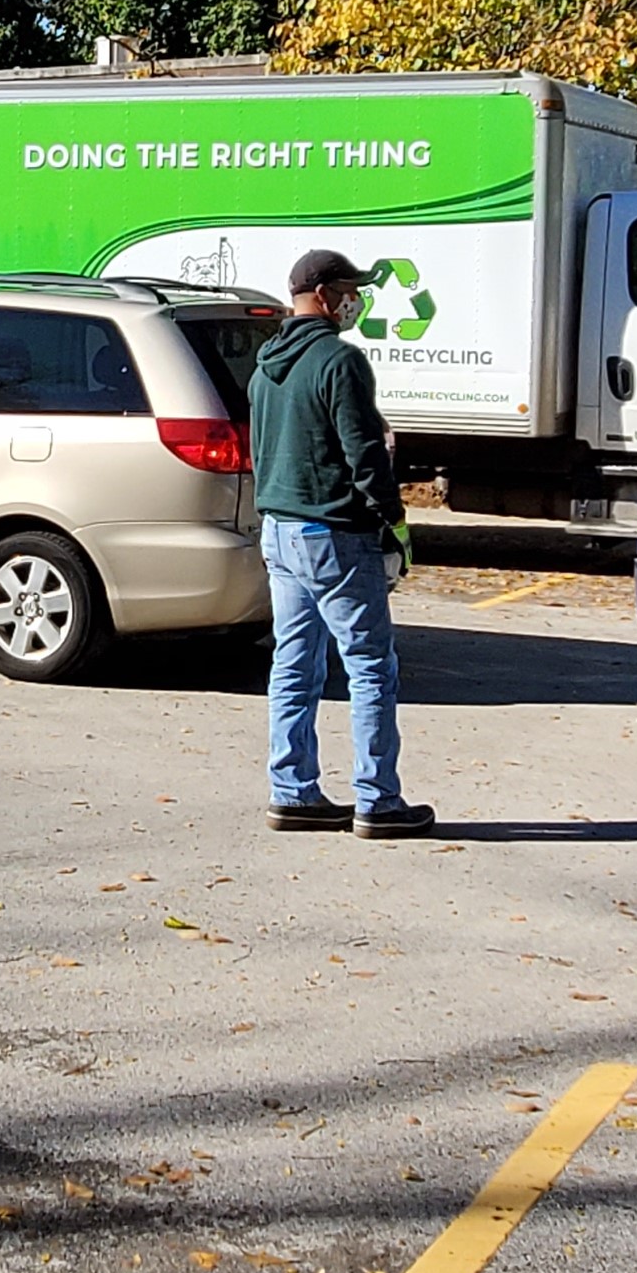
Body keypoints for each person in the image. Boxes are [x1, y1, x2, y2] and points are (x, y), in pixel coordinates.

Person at [247, 250, 434, 838]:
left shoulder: (264, 366)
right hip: (335, 532)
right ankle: (378, 799)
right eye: (352, 289)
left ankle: (292, 791)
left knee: (294, 664)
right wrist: (393, 520)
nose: (358, 300)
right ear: (325, 295)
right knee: (371, 665)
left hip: (279, 528)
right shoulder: (339, 361)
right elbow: (364, 453)